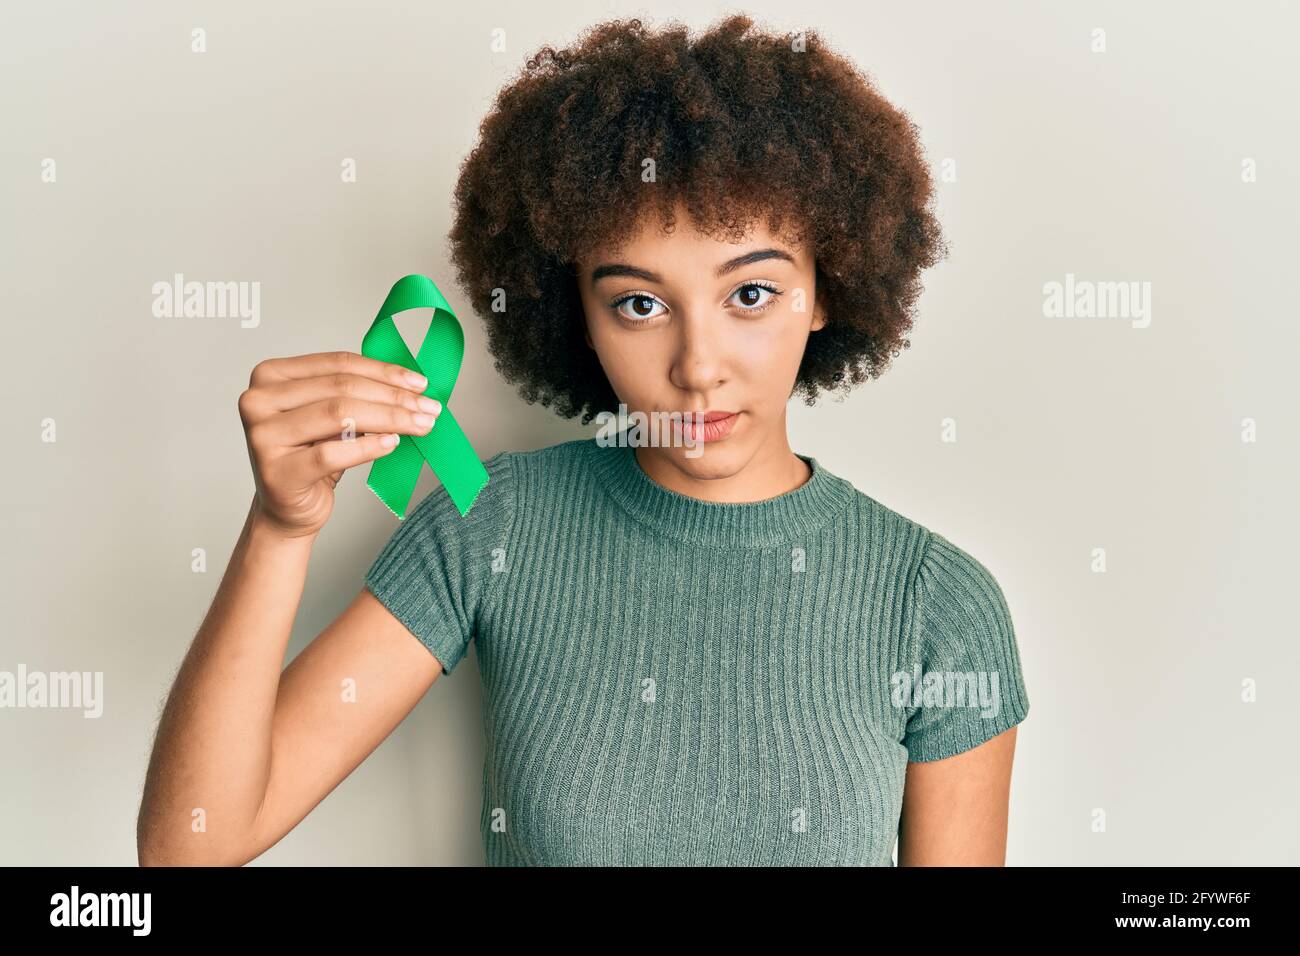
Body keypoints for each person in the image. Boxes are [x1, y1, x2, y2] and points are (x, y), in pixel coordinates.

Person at [137, 14, 1029, 866]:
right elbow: (191, 845)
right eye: (640, 303)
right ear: (581, 318)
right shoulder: (492, 525)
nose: (697, 367)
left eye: (750, 294)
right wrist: (280, 528)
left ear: (827, 290)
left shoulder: (938, 609)